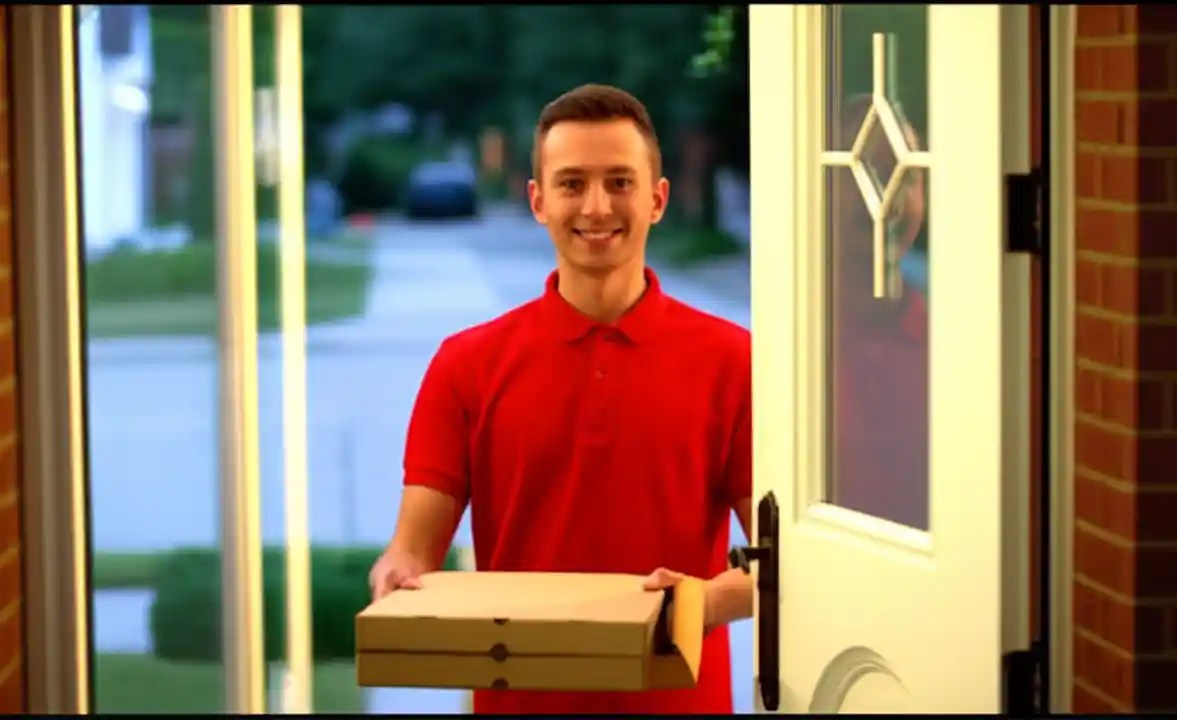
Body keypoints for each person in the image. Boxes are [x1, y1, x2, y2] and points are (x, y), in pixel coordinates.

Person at [367, 83, 755, 715]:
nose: (597, 207)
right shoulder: (465, 365)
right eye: (573, 183)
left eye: (620, 182)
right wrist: (395, 574)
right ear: (538, 201)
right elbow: (413, 549)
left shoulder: (734, 362)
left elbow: (785, 561)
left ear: (657, 199)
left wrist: (707, 602)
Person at [829, 92, 930, 529]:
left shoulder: (957, 349)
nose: (885, 198)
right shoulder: (792, 343)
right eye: (867, 170)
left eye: (905, 176)